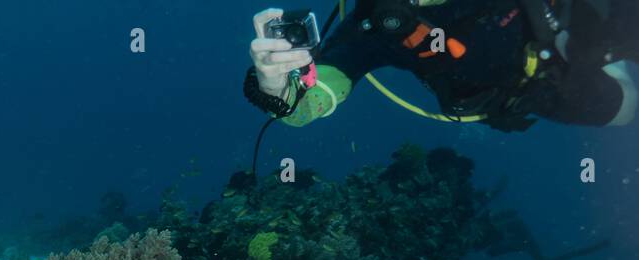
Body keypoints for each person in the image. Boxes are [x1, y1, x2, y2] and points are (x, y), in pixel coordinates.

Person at [246, 0, 638, 130]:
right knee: (624, 107)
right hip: (529, 90)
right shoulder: (377, 22)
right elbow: (310, 102)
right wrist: (278, 89)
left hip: (579, 33)